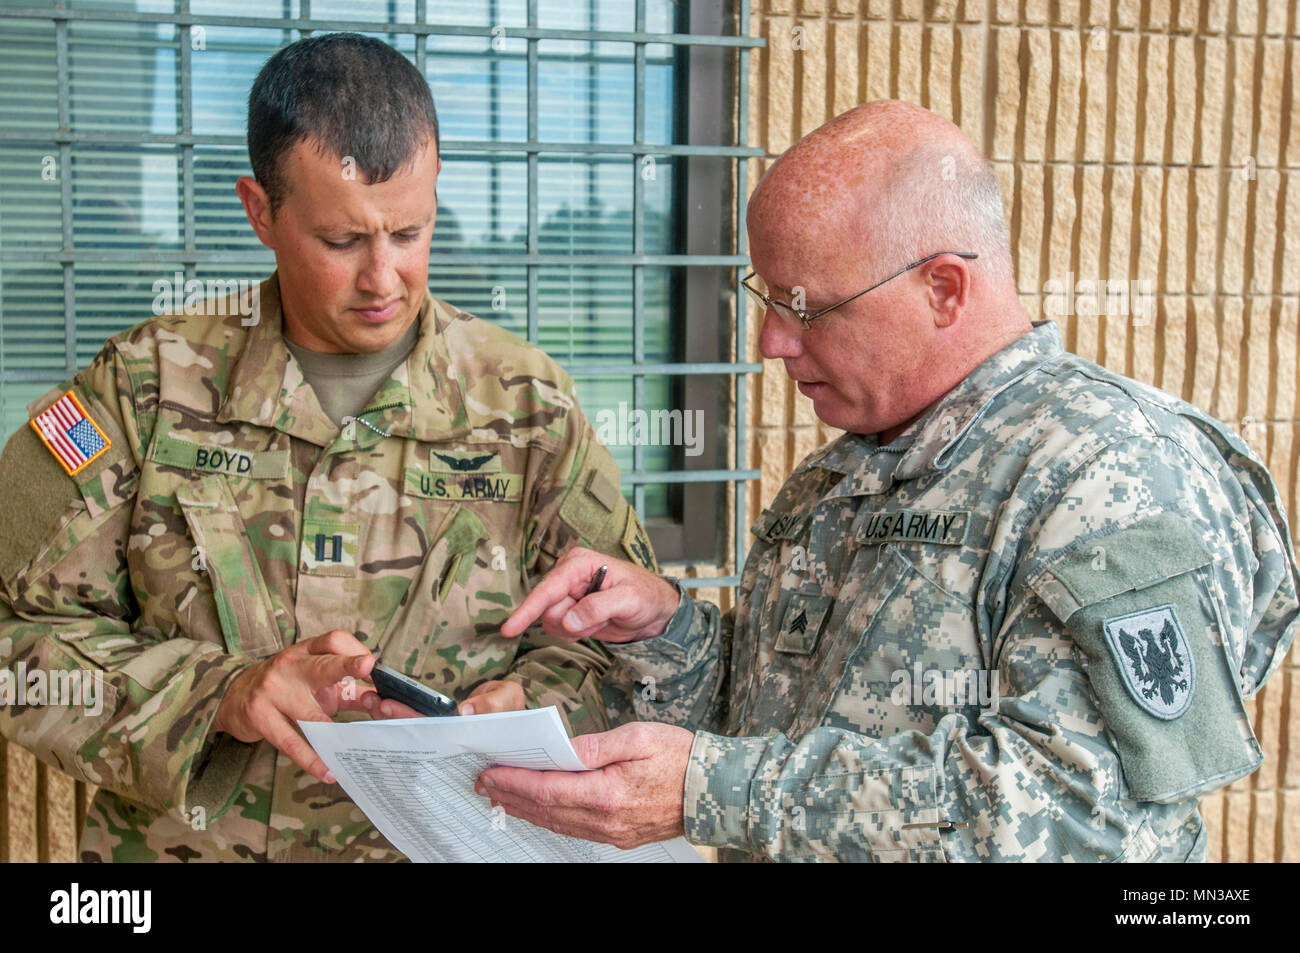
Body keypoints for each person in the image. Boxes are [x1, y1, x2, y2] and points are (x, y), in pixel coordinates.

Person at [476, 100, 1299, 862]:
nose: (771, 341)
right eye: (767, 297)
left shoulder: (1113, 471)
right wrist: (664, 634)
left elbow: (1086, 813)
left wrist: (716, 788)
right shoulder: (841, 473)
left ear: (943, 287)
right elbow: (775, 718)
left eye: (809, 307)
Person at [0, 33, 658, 862]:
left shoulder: (530, 407)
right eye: (343, 242)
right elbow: (17, 640)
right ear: (259, 211)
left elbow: (622, 642)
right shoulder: (142, 389)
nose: (384, 278)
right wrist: (219, 694)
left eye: (410, 232)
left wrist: (535, 703)